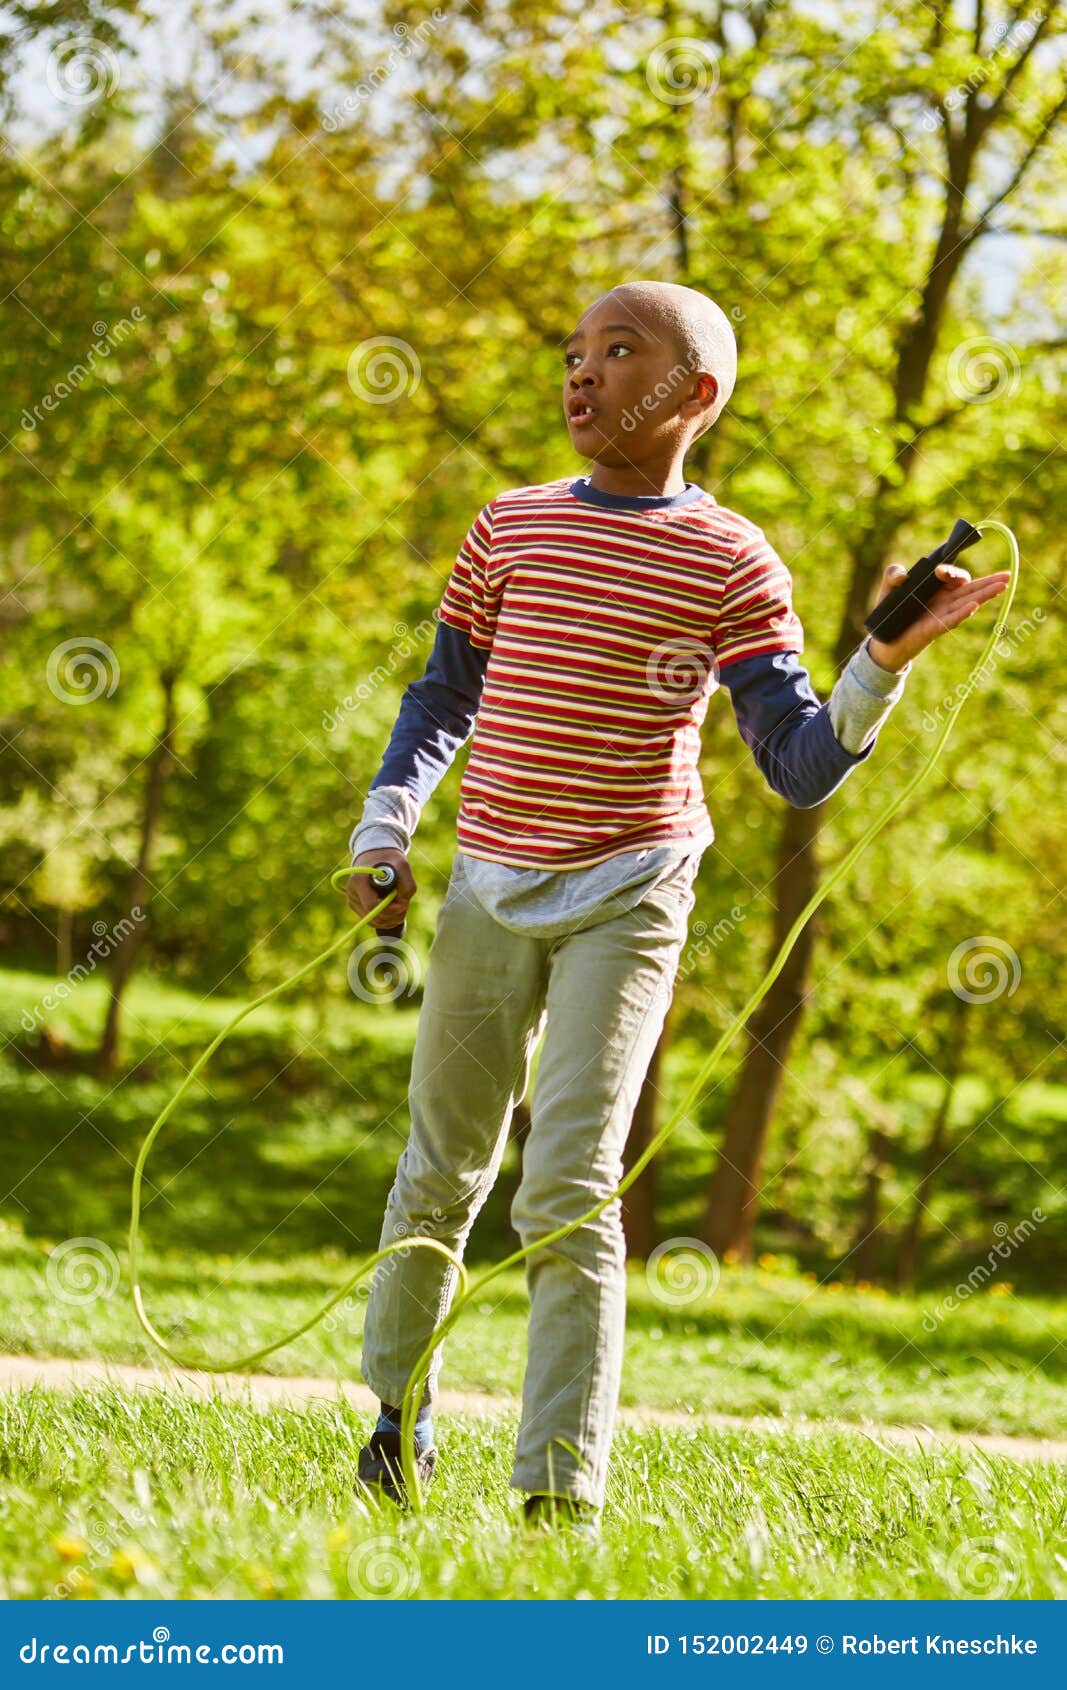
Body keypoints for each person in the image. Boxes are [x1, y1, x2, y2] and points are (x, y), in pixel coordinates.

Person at [345, 280, 1011, 1531]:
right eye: (572, 352)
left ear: (691, 396)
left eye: (616, 351)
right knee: (439, 1169)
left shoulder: (729, 559)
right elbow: (439, 700)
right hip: (488, 873)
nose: (581, 372)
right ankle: (395, 1421)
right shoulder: (509, 528)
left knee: (569, 1184)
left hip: (630, 889)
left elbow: (797, 760)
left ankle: (555, 1493)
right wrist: (384, 828)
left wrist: (880, 661)